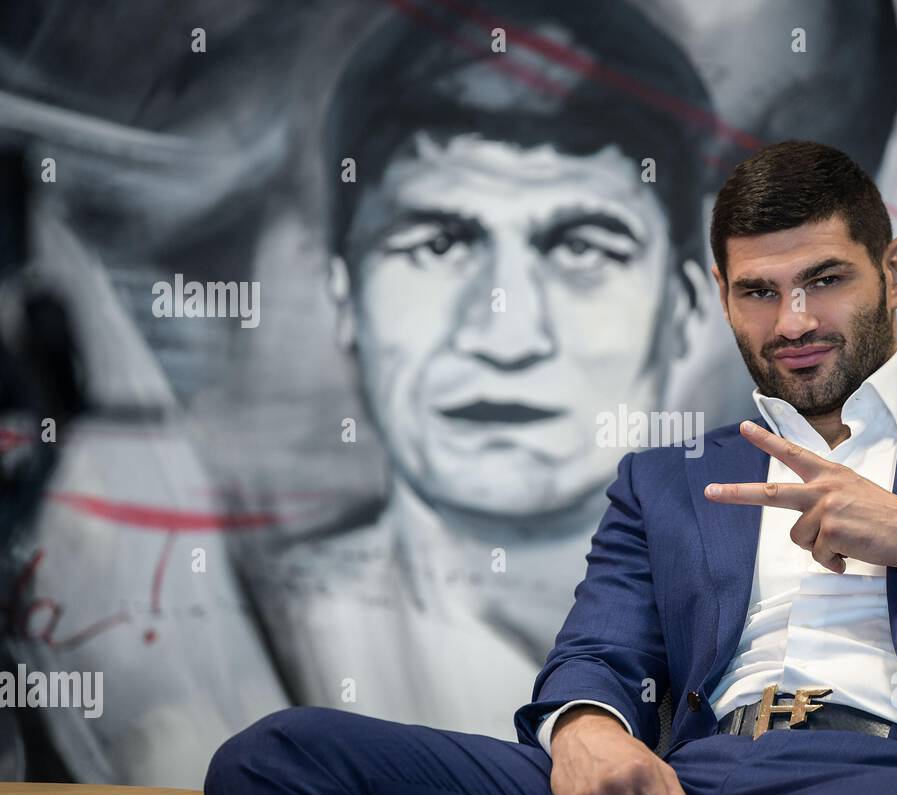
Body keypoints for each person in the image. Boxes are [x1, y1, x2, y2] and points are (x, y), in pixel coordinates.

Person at [205, 140, 897, 795]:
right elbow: (599, 651)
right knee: (280, 764)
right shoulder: (667, 475)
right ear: (718, 297)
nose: (794, 321)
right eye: (758, 291)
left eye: (825, 280)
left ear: (895, 273)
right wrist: (585, 727)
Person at [245, 0, 725, 740]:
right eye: (438, 245)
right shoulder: (244, 636)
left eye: (582, 248)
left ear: (687, 308)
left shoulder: (777, 619)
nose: (505, 335)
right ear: (344, 297)